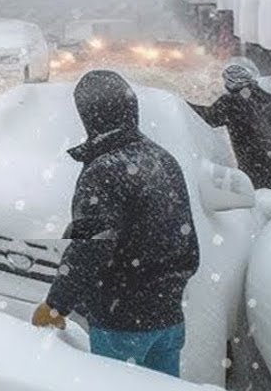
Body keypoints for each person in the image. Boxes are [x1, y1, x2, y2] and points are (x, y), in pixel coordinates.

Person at [33, 70, 200, 379]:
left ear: (89, 116)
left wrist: (56, 305)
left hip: (121, 324)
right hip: (169, 320)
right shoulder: (163, 159)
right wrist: (169, 288)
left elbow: (88, 250)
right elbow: (187, 242)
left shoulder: (103, 172)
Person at [189, 63, 271, 199]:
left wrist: (181, 103)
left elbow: (209, 118)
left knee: (258, 204)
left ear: (230, 83)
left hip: (252, 164)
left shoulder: (230, 102)